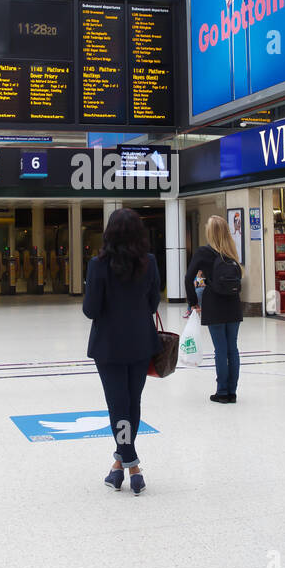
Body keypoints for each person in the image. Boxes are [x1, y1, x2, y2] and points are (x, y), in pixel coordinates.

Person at [82, 208, 161, 496]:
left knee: (118, 405)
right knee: (132, 402)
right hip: (141, 343)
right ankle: (120, 465)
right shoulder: (149, 262)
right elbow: (153, 304)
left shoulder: (97, 265)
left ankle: (131, 465)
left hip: (109, 346)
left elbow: (90, 310)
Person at [184, 215, 244, 404]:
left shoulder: (203, 252)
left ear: (210, 232)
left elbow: (188, 278)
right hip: (233, 303)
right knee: (232, 348)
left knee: (220, 349)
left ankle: (222, 391)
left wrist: (193, 301)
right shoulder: (231, 251)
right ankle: (232, 392)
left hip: (214, 304)